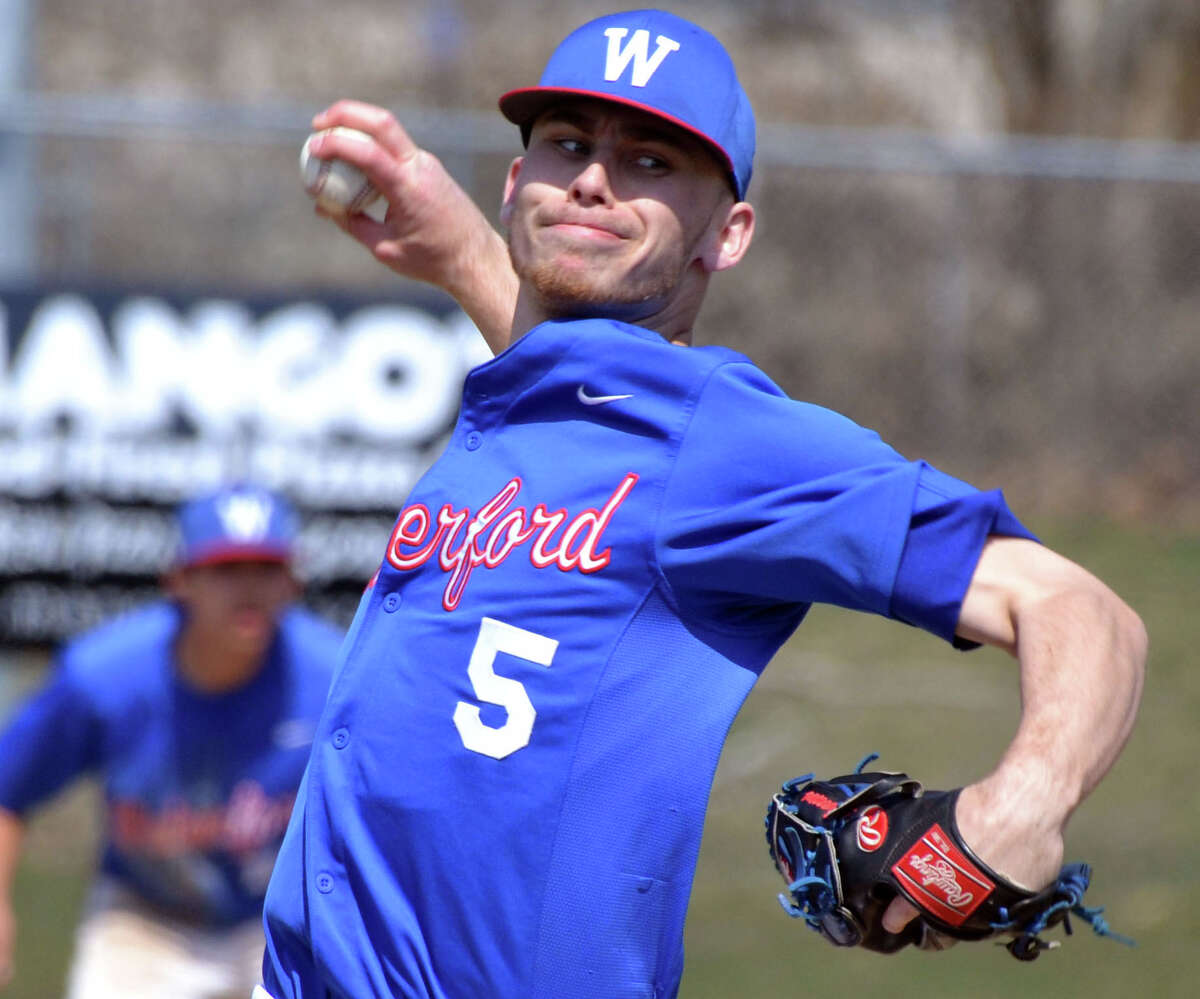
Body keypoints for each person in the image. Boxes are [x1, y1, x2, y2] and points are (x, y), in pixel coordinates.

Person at [263, 10, 1147, 998]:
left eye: (650, 162)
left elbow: (1083, 612)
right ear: (516, 185)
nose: (594, 178)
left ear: (725, 236)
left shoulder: (724, 443)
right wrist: (459, 245)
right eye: (567, 145)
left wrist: (1026, 798)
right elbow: (574, 380)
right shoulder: (535, 395)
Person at [0, 483, 343, 999]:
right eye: (227, 570)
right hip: (144, 921)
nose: (248, 589)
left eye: (266, 569)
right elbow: (8, 790)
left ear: (293, 581)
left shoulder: (334, 680)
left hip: (277, 923)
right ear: (179, 580)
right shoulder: (106, 676)